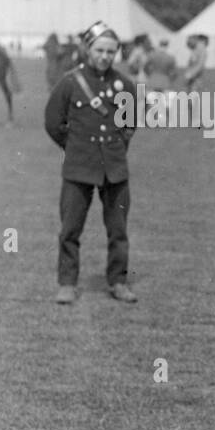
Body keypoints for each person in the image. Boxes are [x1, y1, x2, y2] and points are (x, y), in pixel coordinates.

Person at [44, 21, 138, 305]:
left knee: (118, 231)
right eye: (99, 50)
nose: (105, 56)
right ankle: (67, 283)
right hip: (79, 168)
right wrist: (74, 148)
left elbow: (129, 125)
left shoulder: (125, 85)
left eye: (111, 51)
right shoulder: (70, 83)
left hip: (114, 170)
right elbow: (53, 123)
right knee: (70, 229)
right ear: (88, 49)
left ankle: (118, 282)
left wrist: (116, 148)